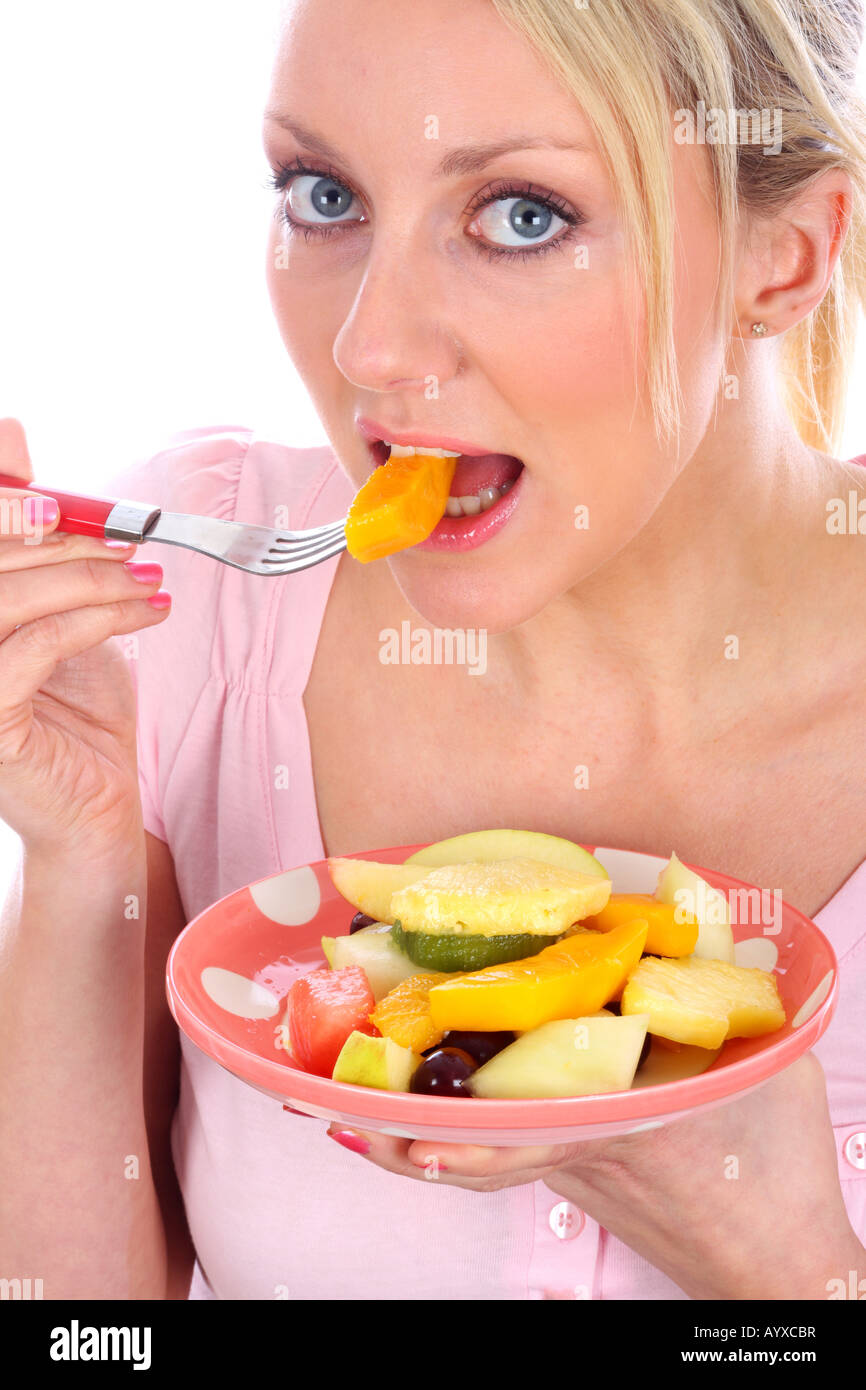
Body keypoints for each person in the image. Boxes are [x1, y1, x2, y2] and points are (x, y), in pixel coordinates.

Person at [2, 0, 866, 1300]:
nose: (370, 349)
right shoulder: (195, 607)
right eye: (325, 193)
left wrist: (789, 1275)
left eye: (522, 214)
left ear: (785, 258)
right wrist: (77, 854)